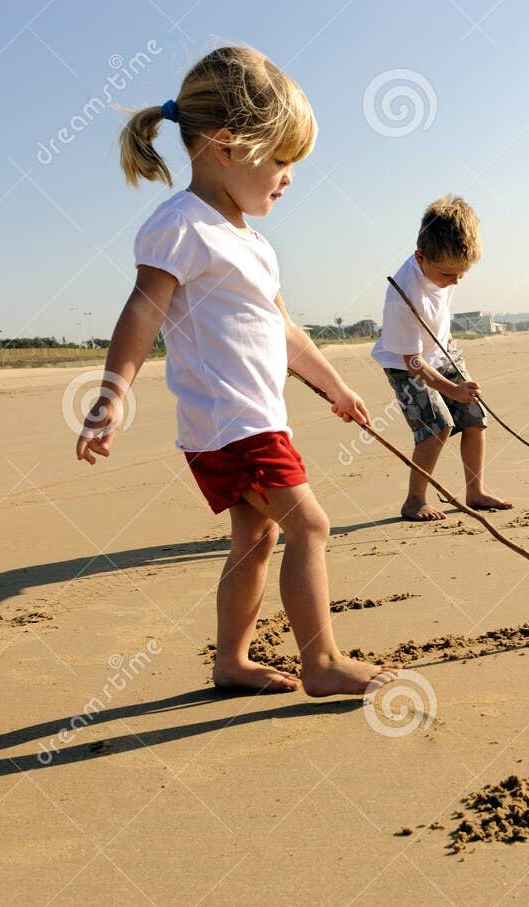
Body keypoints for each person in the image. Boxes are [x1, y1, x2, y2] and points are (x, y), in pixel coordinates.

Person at [75, 45, 397, 697]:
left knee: (256, 537)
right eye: (280, 159)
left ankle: (231, 660)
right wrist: (112, 394)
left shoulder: (252, 242)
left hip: (247, 423)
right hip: (231, 427)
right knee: (311, 525)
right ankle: (323, 662)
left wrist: (335, 388)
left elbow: (286, 334)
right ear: (225, 147)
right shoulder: (181, 226)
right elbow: (141, 313)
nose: (289, 175)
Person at [371, 195, 512, 521]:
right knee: (437, 426)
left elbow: (440, 309)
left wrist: (451, 353)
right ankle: (415, 500)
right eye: (449, 274)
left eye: (462, 273)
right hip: (406, 363)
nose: (456, 281)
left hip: (442, 349)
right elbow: (413, 363)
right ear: (420, 257)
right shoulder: (403, 295)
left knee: (474, 415)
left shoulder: (444, 265)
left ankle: (475, 491)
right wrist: (452, 390)